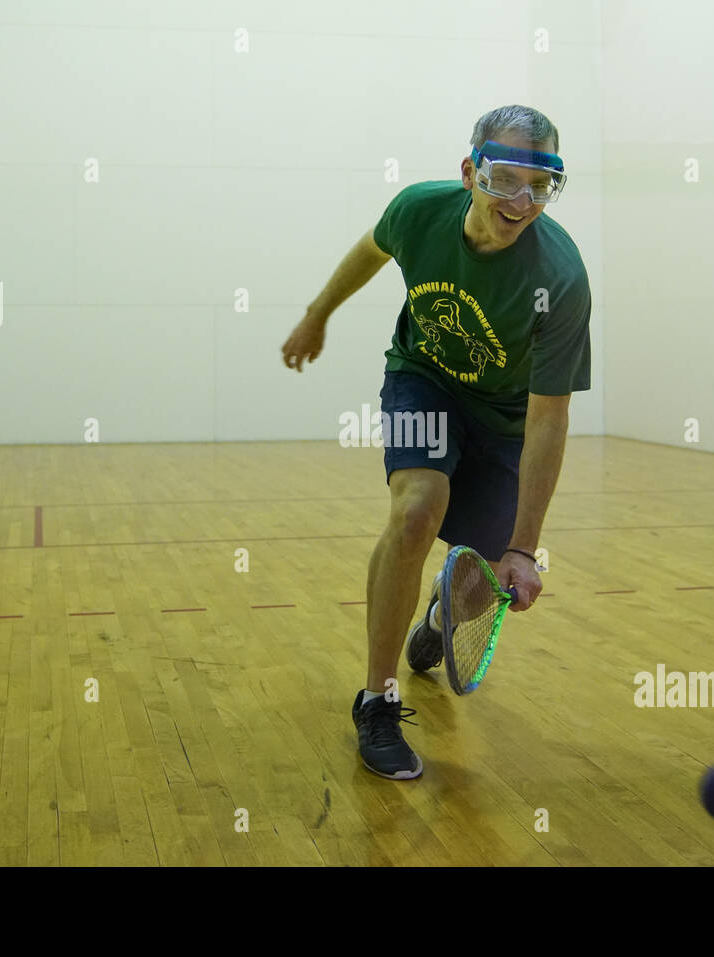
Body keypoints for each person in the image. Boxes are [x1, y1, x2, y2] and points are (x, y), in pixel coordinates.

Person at [281, 105, 592, 780]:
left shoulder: (560, 280)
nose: (520, 202)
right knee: (417, 508)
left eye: (540, 188)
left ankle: (437, 618)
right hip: (423, 380)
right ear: (469, 171)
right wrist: (316, 315)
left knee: (476, 592)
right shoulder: (419, 211)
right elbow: (371, 249)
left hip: (507, 423)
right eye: (505, 179)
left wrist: (521, 547)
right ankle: (377, 699)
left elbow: (547, 419)